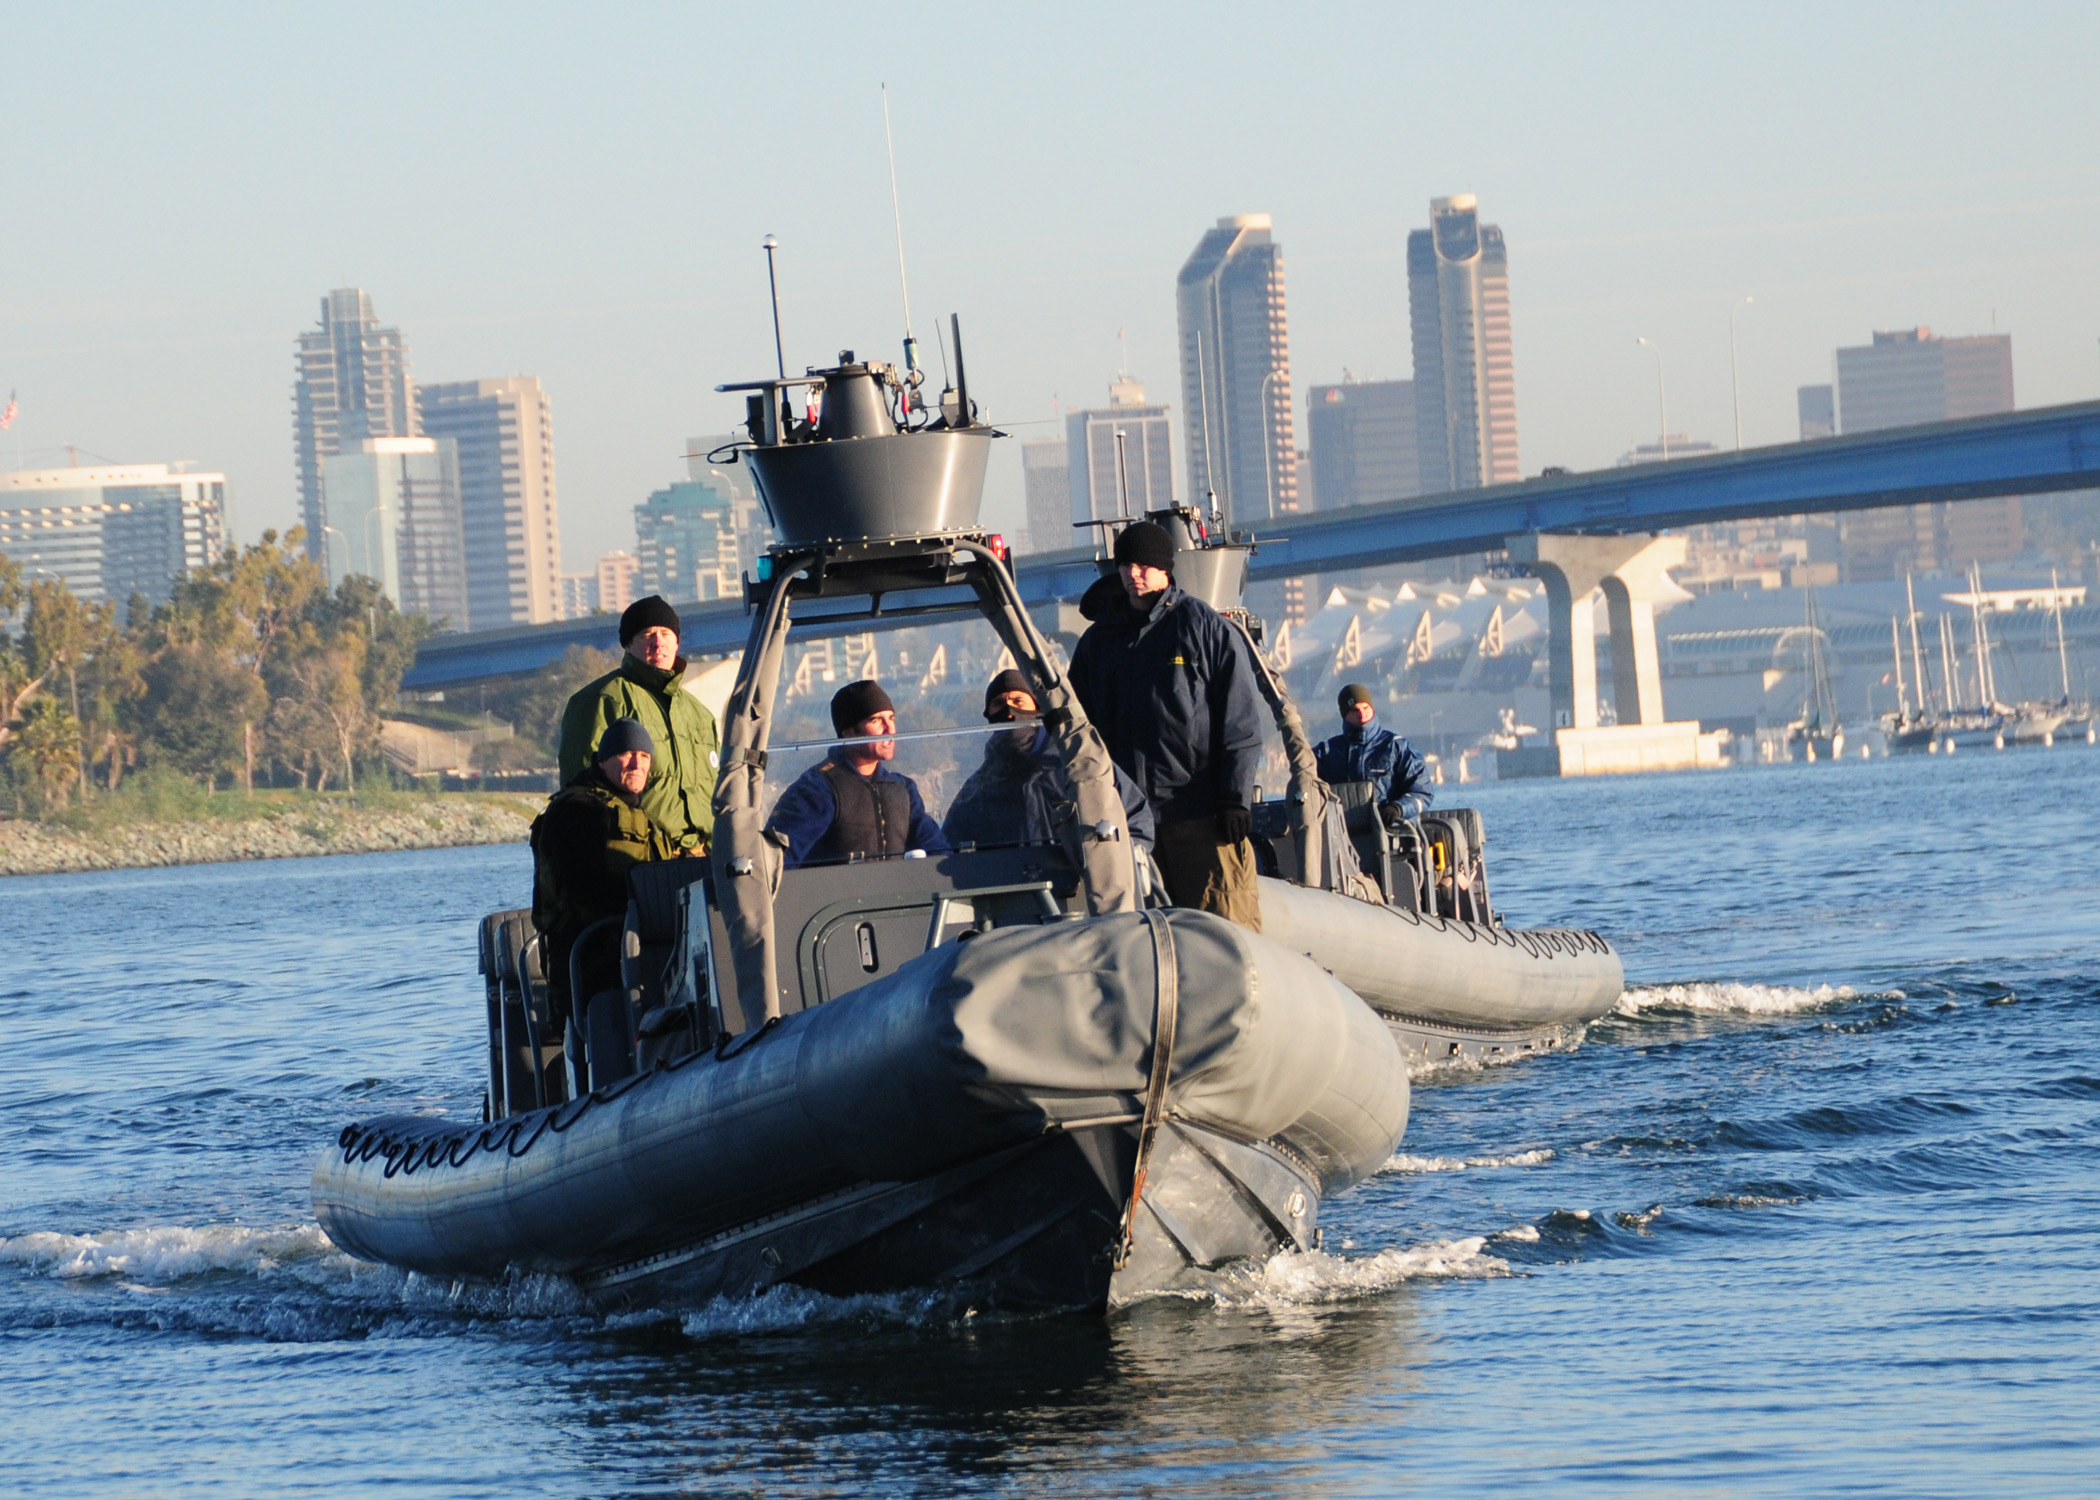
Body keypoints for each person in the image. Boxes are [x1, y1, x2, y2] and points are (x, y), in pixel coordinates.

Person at [1068, 520, 1264, 928]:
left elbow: (1240, 722)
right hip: (1129, 823)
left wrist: (1234, 799)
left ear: (1164, 568)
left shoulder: (1203, 628)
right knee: (1145, 945)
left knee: (1224, 930)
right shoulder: (1097, 644)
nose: (1132, 574)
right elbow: (1079, 730)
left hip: (1201, 817)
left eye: (1142, 565)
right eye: (1125, 566)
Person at [531, 718, 675, 1028]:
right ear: (604, 760)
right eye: (626, 754)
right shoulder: (578, 809)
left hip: (638, 950)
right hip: (590, 958)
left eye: (645, 756)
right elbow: (583, 883)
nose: (637, 763)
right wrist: (646, 900)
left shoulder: (638, 814)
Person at [557, 595, 718, 854]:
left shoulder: (699, 714)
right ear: (628, 644)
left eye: (666, 634)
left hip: (706, 856)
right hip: (643, 861)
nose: (658, 642)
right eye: (647, 634)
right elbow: (577, 795)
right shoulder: (602, 700)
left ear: (677, 642)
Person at [942, 668, 1156, 851]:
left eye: (1018, 701)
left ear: (1037, 709)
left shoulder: (1081, 766)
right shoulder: (980, 787)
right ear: (988, 715)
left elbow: (1137, 820)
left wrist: (1124, 862)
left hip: (1079, 889)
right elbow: (948, 846)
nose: (1009, 711)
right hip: (1012, 893)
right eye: (998, 703)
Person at [765, 680, 952, 869]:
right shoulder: (817, 790)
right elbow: (778, 863)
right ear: (848, 733)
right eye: (876, 720)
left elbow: (940, 854)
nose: (890, 729)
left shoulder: (903, 789)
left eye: (892, 718)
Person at [1314, 684, 1433, 822]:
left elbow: (1422, 793)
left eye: (1365, 708)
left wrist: (1398, 808)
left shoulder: (1397, 747)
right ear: (1344, 715)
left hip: (1393, 832)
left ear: (1372, 708)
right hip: (1341, 835)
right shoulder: (1325, 752)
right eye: (1354, 710)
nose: (1361, 714)